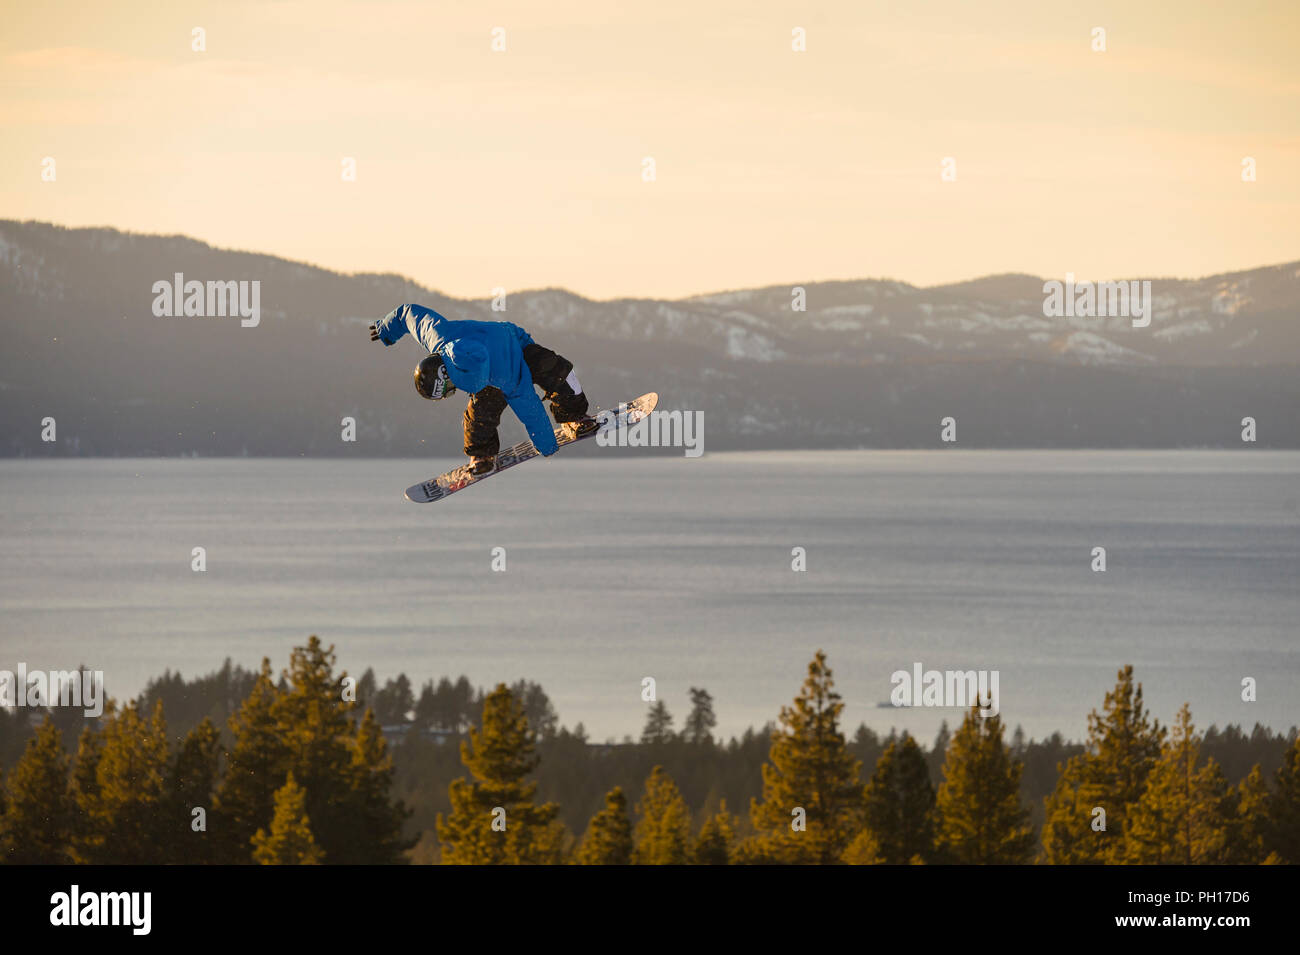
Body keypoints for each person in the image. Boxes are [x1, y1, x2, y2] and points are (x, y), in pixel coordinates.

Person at [370, 303, 597, 474]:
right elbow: (409, 314)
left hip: (517, 347)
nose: (452, 393)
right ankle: (482, 454)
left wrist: (547, 445)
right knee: (482, 409)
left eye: (448, 390)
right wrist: (386, 328)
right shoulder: (436, 335)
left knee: (552, 369)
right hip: (490, 365)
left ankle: (574, 416)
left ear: (447, 378)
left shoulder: (508, 376)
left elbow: (530, 409)